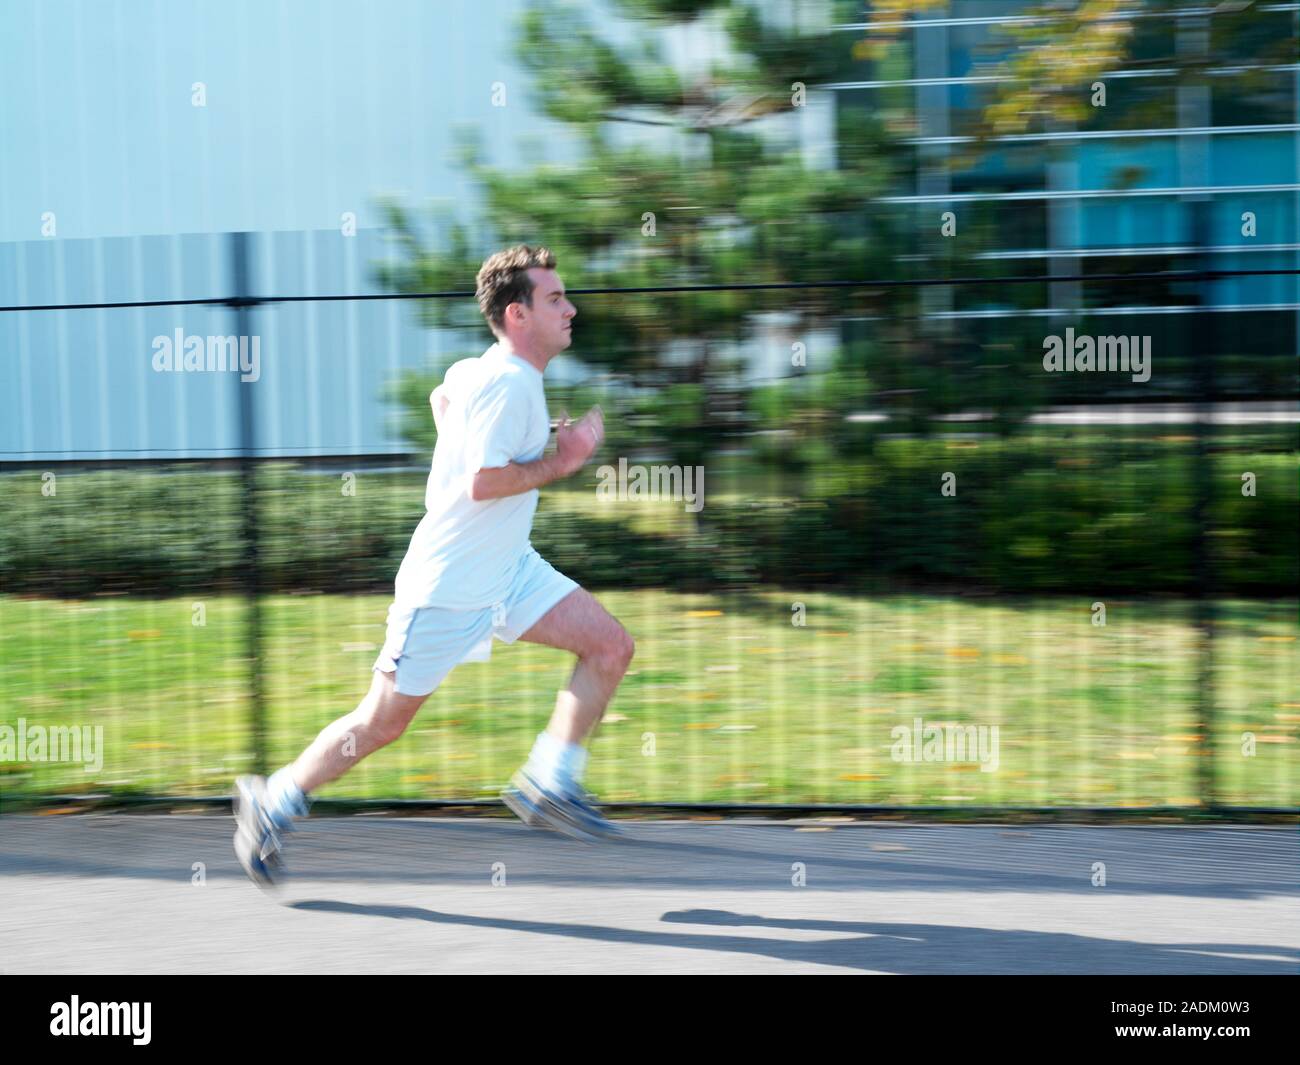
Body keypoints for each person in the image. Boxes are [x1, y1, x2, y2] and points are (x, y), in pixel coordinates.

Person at [233, 245, 635, 888]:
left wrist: (524, 442)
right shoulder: (507, 383)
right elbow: (482, 482)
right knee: (380, 723)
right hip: (448, 588)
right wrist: (563, 460)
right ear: (517, 314)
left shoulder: (485, 372)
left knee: (610, 646)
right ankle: (274, 799)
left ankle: (549, 781)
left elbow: (441, 397)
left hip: (507, 570)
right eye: (555, 298)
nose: (571, 308)